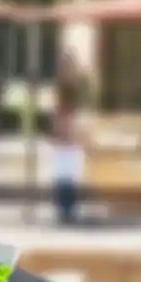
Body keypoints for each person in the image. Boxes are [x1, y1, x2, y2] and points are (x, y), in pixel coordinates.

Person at [51, 89, 85, 225]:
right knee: (63, 182)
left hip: (70, 152)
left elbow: (77, 135)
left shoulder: (73, 119)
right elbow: (57, 135)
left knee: (69, 183)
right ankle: (64, 211)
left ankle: (69, 211)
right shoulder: (60, 119)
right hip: (64, 152)